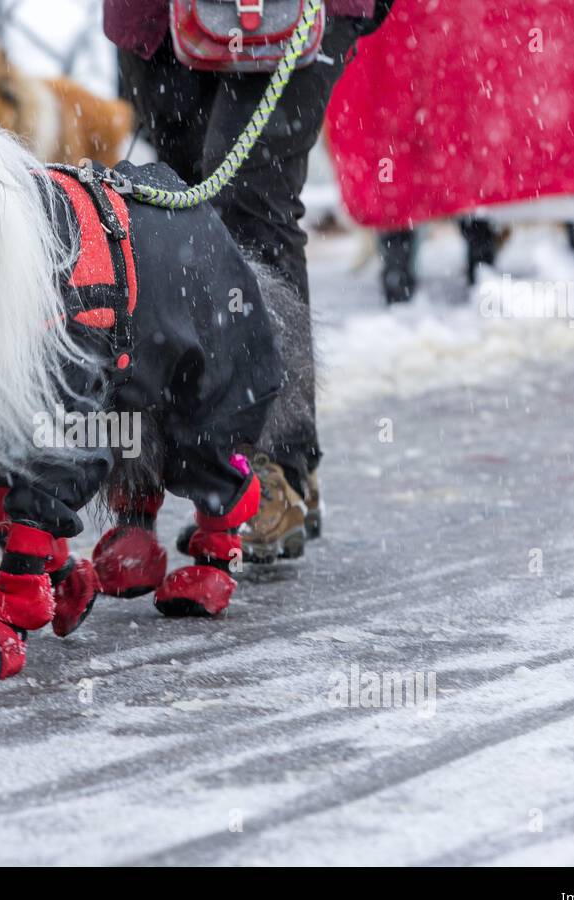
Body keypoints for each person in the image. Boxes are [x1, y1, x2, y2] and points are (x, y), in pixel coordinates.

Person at [105, 0, 395, 559]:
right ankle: (211, 465)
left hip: (288, 12)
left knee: (249, 203)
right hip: (153, 20)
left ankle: (275, 462)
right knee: (184, 215)